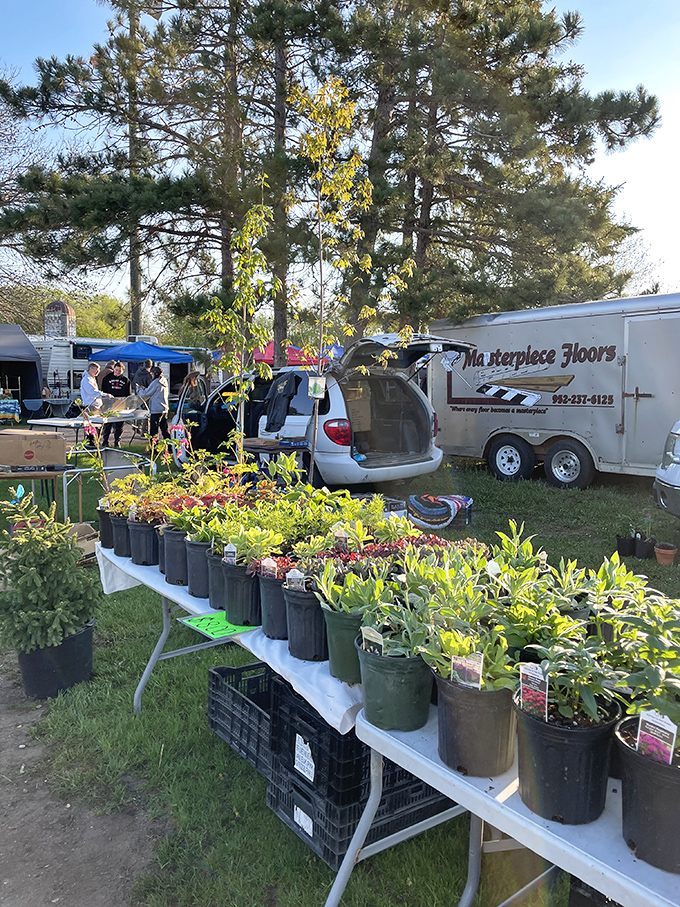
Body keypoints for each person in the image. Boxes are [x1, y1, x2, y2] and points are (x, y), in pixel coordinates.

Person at [79, 363, 112, 447]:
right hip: (90, 405)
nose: (98, 371)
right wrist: (104, 394)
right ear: (90, 369)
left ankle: (95, 441)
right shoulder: (86, 379)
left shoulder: (92, 378)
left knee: (96, 425)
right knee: (91, 425)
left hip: (96, 405)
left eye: (99, 370)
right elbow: (92, 392)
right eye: (96, 369)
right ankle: (91, 442)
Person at [100, 362, 131, 448]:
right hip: (109, 403)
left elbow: (128, 395)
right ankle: (105, 441)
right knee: (107, 423)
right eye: (116, 370)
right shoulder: (107, 378)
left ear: (123, 371)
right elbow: (103, 392)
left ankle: (117, 441)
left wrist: (126, 405)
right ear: (113, 369)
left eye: (119, 371)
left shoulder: (126, 380)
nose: (117, 372)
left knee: (119, 425)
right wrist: (104, 403)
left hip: (120, 404)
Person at [139, 365, 170, 442]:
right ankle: (169, 445)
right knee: (164, 429)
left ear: (155, 373)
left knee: (154, 430)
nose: (151, 375)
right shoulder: (164, 381)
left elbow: (146, 393)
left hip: (156, 409)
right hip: (164, 408)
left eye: (152, 374)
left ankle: (154, 446)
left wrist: (139, 390)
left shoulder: (155, 382)